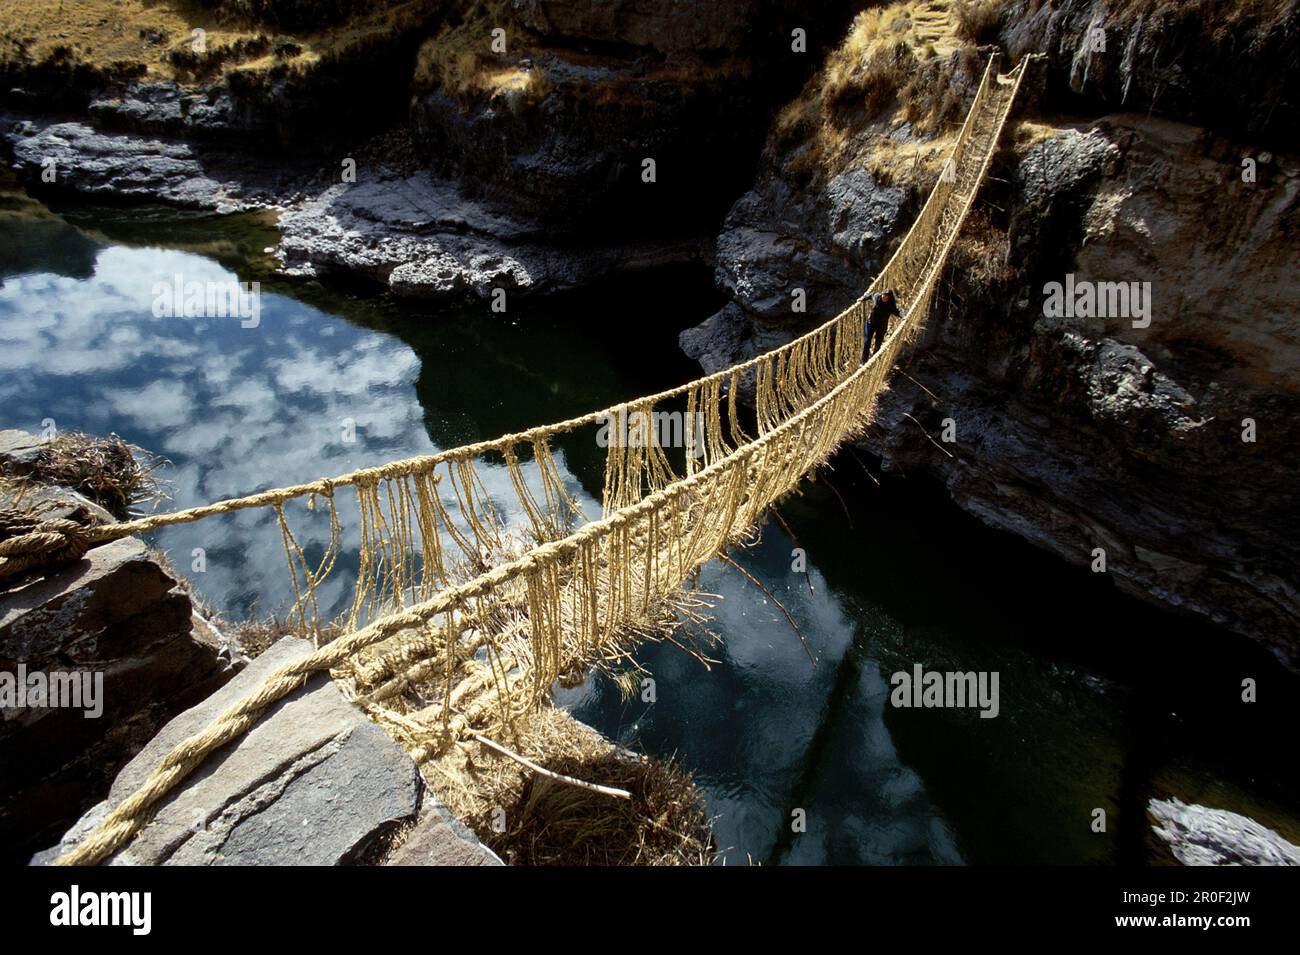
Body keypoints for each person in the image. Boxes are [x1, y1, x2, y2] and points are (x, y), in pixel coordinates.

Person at [862, 289, 901, 359]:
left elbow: (897, 312)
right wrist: (863, 298)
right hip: (871, 323)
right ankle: (863, 361)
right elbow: (871, 294)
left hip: (881, 326)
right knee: (867, 341)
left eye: (887, 296)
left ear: (889, 298)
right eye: (883, 295)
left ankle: (874, 360)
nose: (884, 297)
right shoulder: (877, 297)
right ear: (881, 294)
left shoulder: (891, 305)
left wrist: (904, 316)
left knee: (877, 345)